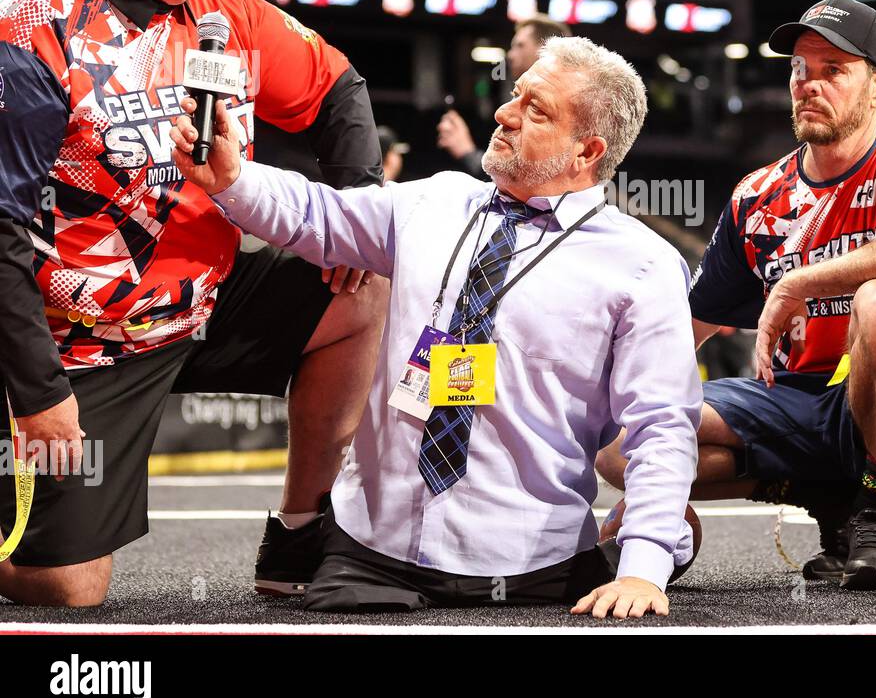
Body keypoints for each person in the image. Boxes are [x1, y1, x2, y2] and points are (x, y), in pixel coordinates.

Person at [170, 36, 702, 619]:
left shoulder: (643, 266)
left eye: (535, 109)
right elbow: (318, 215)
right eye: (515, 96)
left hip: (534, 561)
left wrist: (644, 568)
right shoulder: (437, 200)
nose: (505, 113)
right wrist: (232, 179)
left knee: (646, 562)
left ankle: (666, 537)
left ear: (587, 151)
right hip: (373, 547)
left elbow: (660, 424)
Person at [0, 0, 386, 606]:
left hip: (201, 302)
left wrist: (357, 207)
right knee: (67, 588)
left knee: (365, 288)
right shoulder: (29, 25)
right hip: (78, 342)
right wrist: (38, 396)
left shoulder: (227, 14)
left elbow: (338, 87)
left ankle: (301, 530)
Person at [597, 0, 876, 589]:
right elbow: (690, 327)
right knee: (623, 444)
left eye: (833, 70)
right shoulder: (758, 195)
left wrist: (800, 280)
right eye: (800, 68)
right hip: (800, 399)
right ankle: (826, 496)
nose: (809, 84)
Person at [437, 16, 572, 179]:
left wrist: (466, 151)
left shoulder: (557, 106)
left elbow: (521, 179)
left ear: (545, 50)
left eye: (519, 46)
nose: (510, 55)